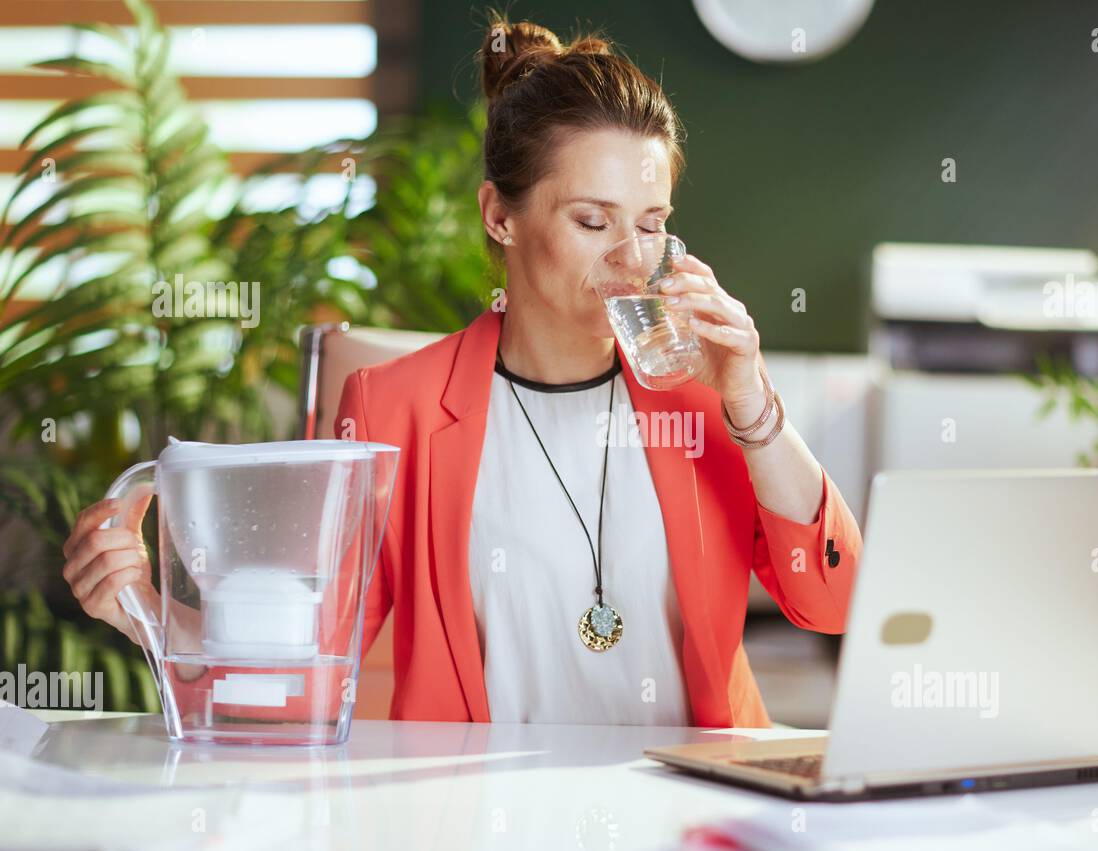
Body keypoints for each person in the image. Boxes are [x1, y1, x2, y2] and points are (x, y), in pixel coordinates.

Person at [61, 13, 862, 728]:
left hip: (694, 816)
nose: (630, 258)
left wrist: (754, 406)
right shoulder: (392, 409)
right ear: (499, 216)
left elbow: (831, 602)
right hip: (482, 816)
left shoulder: (700, 396)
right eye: (592, 220)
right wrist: (148, 613)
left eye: (651, 225)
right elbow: (311, 675)